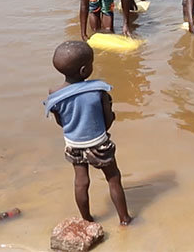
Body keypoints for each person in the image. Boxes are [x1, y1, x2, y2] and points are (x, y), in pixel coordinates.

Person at [44, 41, 132, 225]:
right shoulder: (98, 90)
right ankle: (124, 219)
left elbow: (62, 122)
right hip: (98, 142)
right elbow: (107, 122)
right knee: (113, 177)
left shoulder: (54, 94)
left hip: (74, 144)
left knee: (81, 182)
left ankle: (87, 220)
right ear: (84, 70)